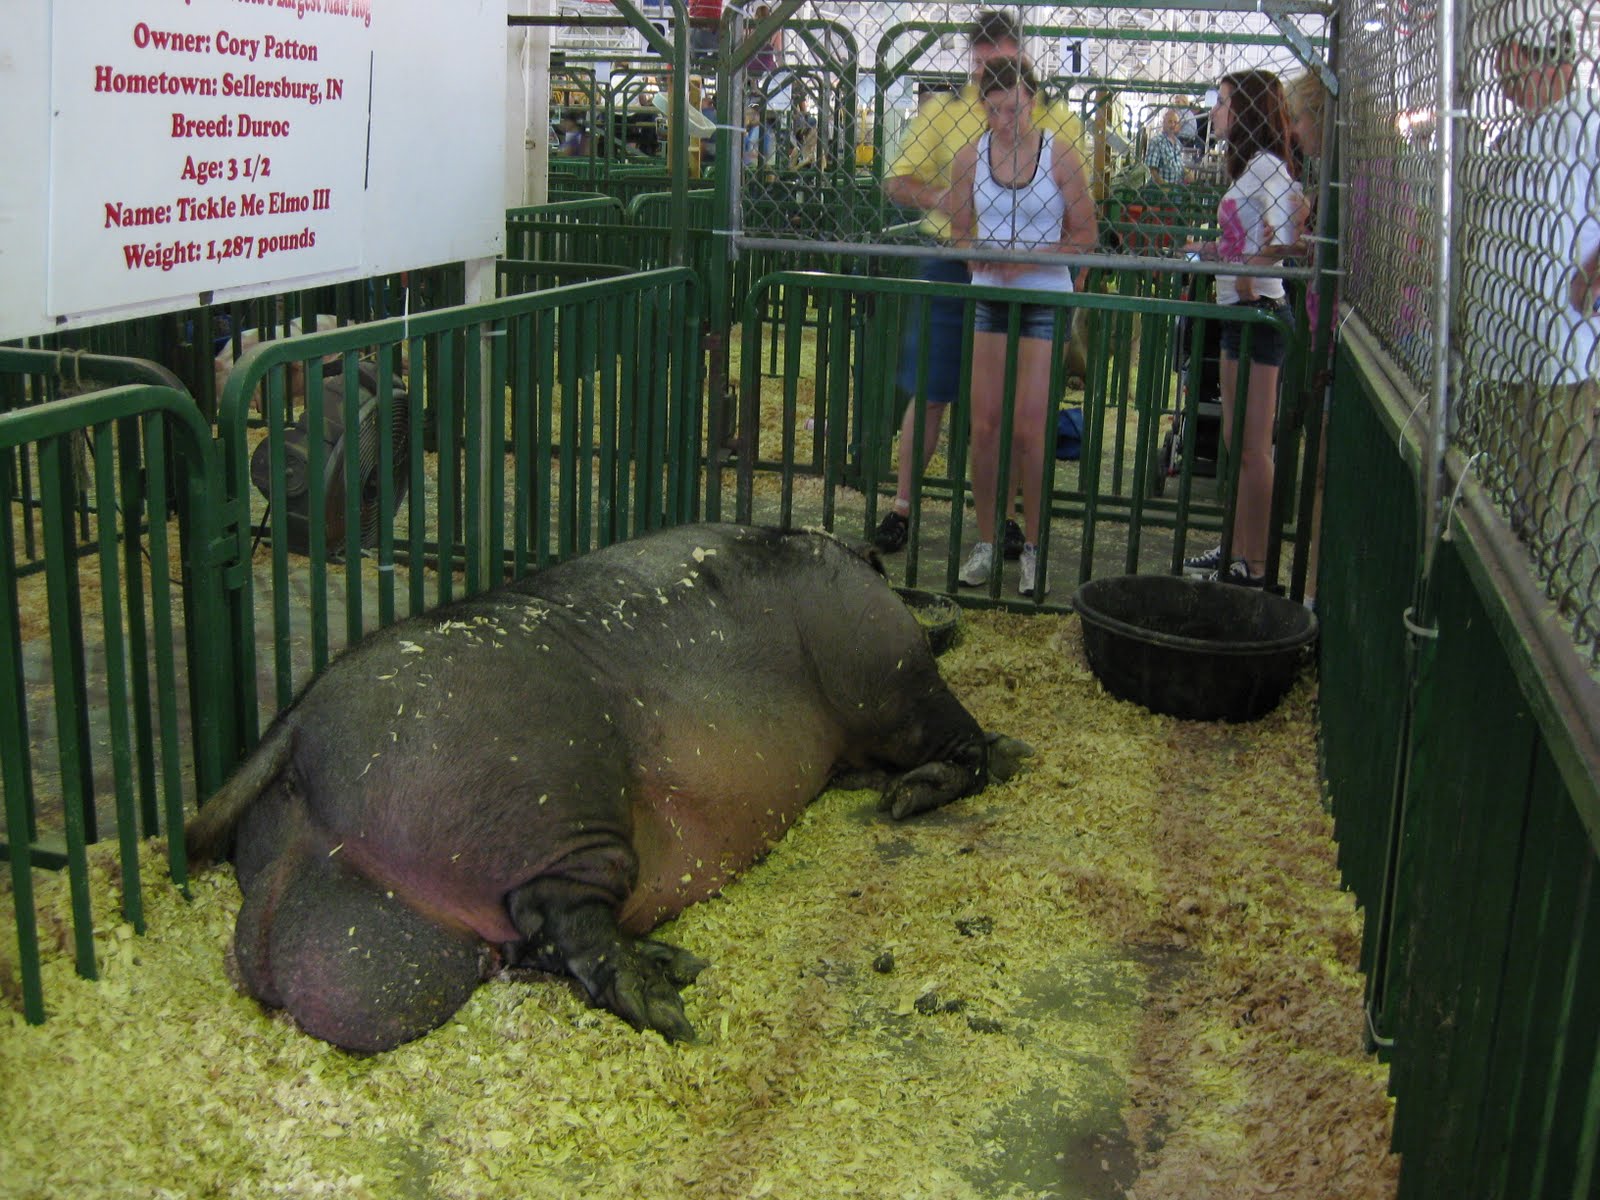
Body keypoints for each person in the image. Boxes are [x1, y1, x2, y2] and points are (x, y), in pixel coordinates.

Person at [874, 9, 1091, 559]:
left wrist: (1065, 285)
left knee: (1021, 414)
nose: (987, 76)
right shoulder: (946, 114)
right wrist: (945, 200)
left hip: (1037, 278)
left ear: (1022, 62)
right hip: (957, 264)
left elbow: (1082, 219)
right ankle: (903, 505)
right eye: (980, 63)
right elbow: (896, 180)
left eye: (1000, 62)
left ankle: (1012, 524)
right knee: (934, 388)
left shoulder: (1059, 126)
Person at [941, 55, 1095, 596]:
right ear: (983, 106)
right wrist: (977, 255)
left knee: (1031, 429)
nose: (1007, 118)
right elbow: (959, 229)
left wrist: (1024, 262)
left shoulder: (1061, 155)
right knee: (984, 425)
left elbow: (1086, 234)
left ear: (1033, 99)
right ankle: (987, 540)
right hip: (990, 299)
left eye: (1016, 106)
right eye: (996, 108)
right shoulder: (969, 157)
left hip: (1042, 298)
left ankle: (1032, 546)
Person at [1459, 10, 1598, 592]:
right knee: (1511, 495)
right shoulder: (1516, 132)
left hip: (1562, 358)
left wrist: (1590, 276)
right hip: (1507, 349)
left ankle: (1561, 608)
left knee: (1559, 501)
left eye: (1512, 56)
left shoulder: (1589, 121)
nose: (1502, 73)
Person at [1181, 70, 1301, 588]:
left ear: (1247, 111)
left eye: (1225, 102)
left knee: (1253, 447)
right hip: (1240, 315)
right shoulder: (1250, 168)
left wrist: (1250, 277)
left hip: (1259, 316)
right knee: (1239, 441)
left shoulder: (1269, 167)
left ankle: (1257, 566)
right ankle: (1240, 551)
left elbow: (1288, 235)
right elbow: (1253, 236)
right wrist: (1217, 253)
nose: (1217, 111)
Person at [1145, 108, 1189, 185]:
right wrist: (1163, 185)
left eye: (1175, 122)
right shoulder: (1157, 141)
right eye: (1170, 122)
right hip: (1159, 189)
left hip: (1176, 187)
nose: (1173, 125)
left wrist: (1187, 172)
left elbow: (1179, 165)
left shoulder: (1178, 143)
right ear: (1163, 123)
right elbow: (1152, 169)